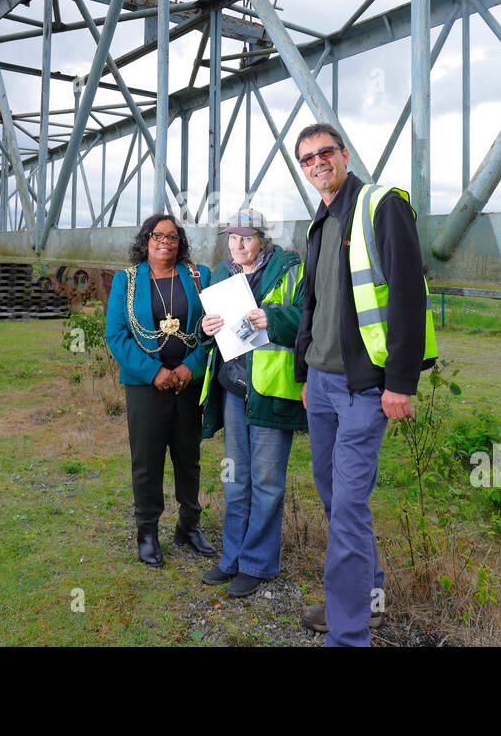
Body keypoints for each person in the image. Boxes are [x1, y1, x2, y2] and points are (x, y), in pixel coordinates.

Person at [292, 123, 437, 646]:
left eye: (324, 153)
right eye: (306, 159)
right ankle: (364, 599)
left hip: (365, 388)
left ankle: (347, 633)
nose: (316, 164)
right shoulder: (320, 222)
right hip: (323, 386)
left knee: (349, 506)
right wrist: (305, 372)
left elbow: (407, 295)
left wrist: (400, 382)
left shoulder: (381, 205)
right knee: (336, 500)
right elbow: (311, 304)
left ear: (344, 155)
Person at [196, 208, 305, 598]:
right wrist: (205, 329)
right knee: (234, 477)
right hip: (233, 389)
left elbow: (307, 320)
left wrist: (271, 318)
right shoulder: (222, 275)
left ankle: (257, 564)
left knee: (268, 480)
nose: (238, 245)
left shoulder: (291, 270)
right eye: (232, 238)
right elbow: (207, 330)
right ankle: (231, 558)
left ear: (262, 239)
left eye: (246, 238)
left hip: (271, 390)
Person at [104, 214, 214, 567]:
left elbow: (212, 331)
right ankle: (147, 531)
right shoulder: (126, 281)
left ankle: (189, 525)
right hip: (146, 387)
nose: (165, 241)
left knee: (188, 456)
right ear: (145, 240)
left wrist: (188, 368)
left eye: (172, 236)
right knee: (147, 460)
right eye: (157, 235)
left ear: (180, 242)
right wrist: (155, 372)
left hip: (187, 384)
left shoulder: (200, 277)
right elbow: (117, 336)